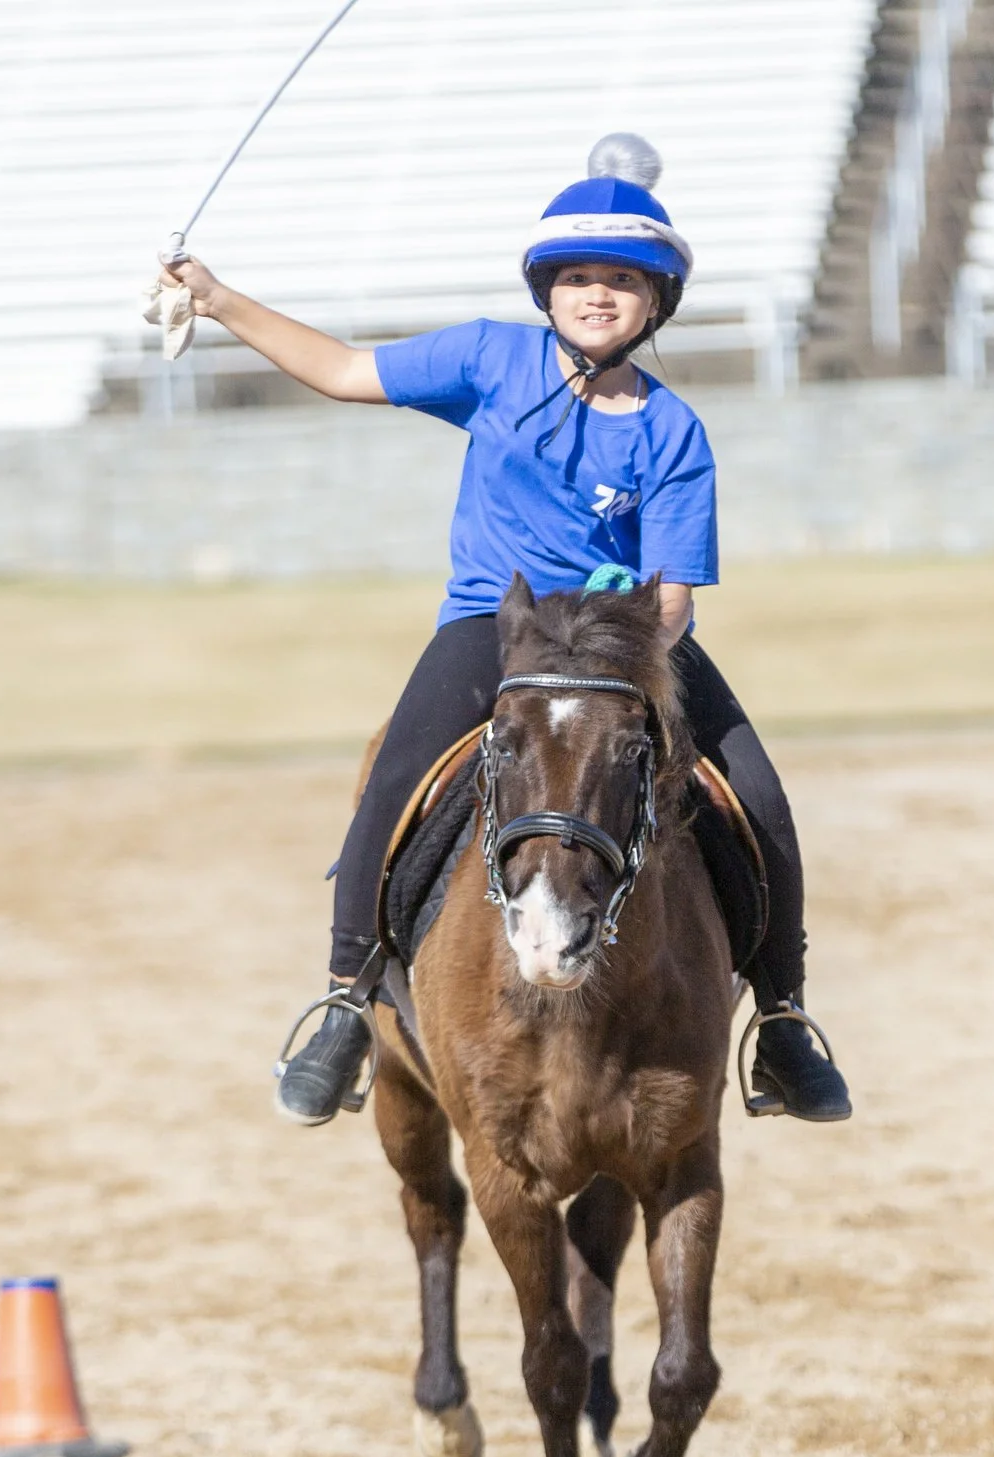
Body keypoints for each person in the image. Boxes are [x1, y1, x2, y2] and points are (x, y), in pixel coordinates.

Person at [155, 135, 850, 1128]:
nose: (597, 295)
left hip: (621, 643)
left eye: (621, 280)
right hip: (494, 621)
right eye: (577, 278)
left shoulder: (672, 430)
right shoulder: (488, 357)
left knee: (761, 797)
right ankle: (346, 1000)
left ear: (655, 302)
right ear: (546, 290)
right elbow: (347, 371)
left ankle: (781, 1020)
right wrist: (221, 301)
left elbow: (676, 593)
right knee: (394, 781)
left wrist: (621, 654)